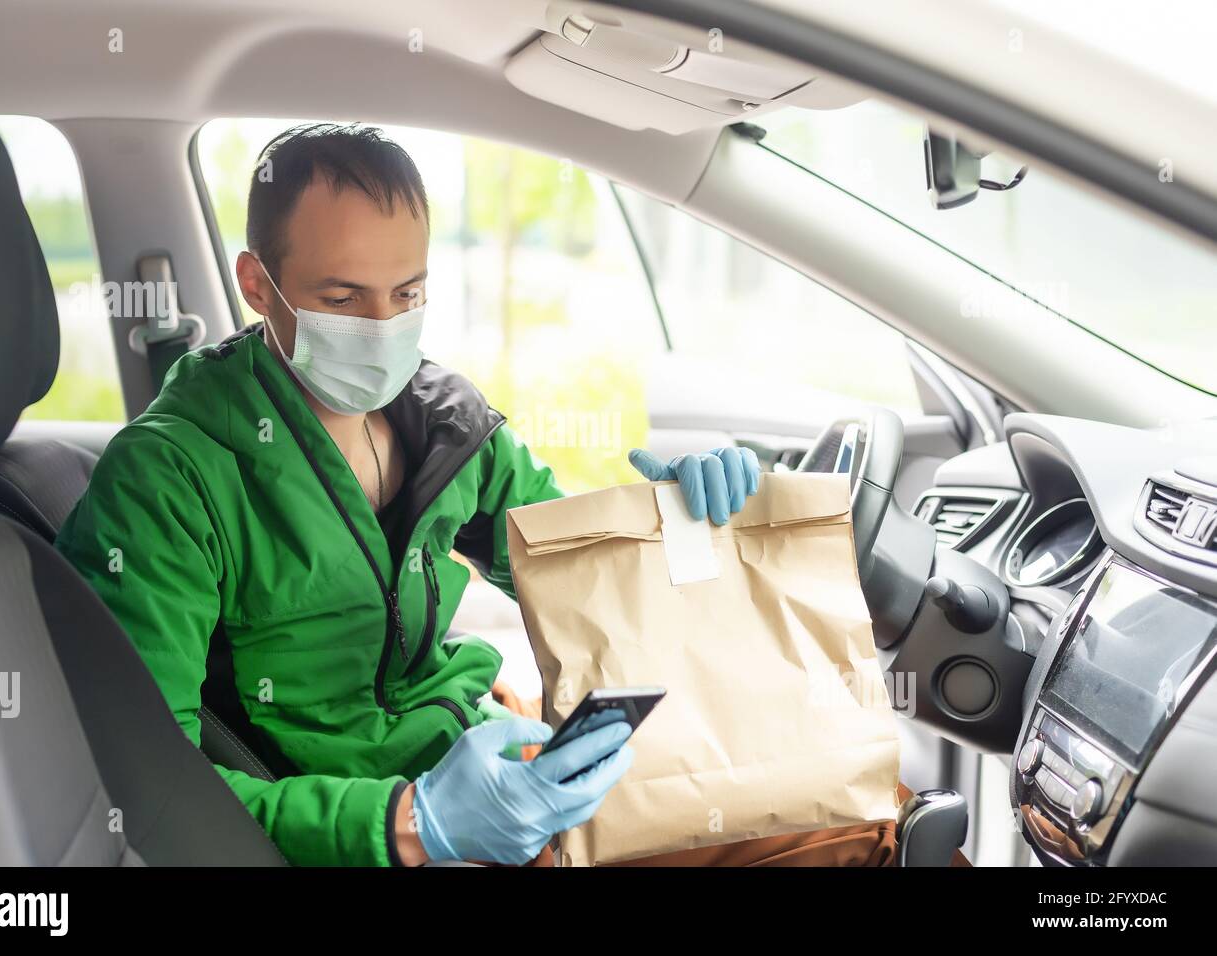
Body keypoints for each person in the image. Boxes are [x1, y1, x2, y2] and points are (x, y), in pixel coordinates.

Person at [55, 123, 954, 867]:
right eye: (342, 296)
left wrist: (686, 532)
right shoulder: (169, 482)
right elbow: (150, 788)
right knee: (860, 844)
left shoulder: (440, 422)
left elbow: (578, 575)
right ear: (259, 285)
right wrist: (411, 825)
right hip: (389, 812)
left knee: (864, 808)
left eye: (406, 293)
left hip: (487, 740)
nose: (381, 328)